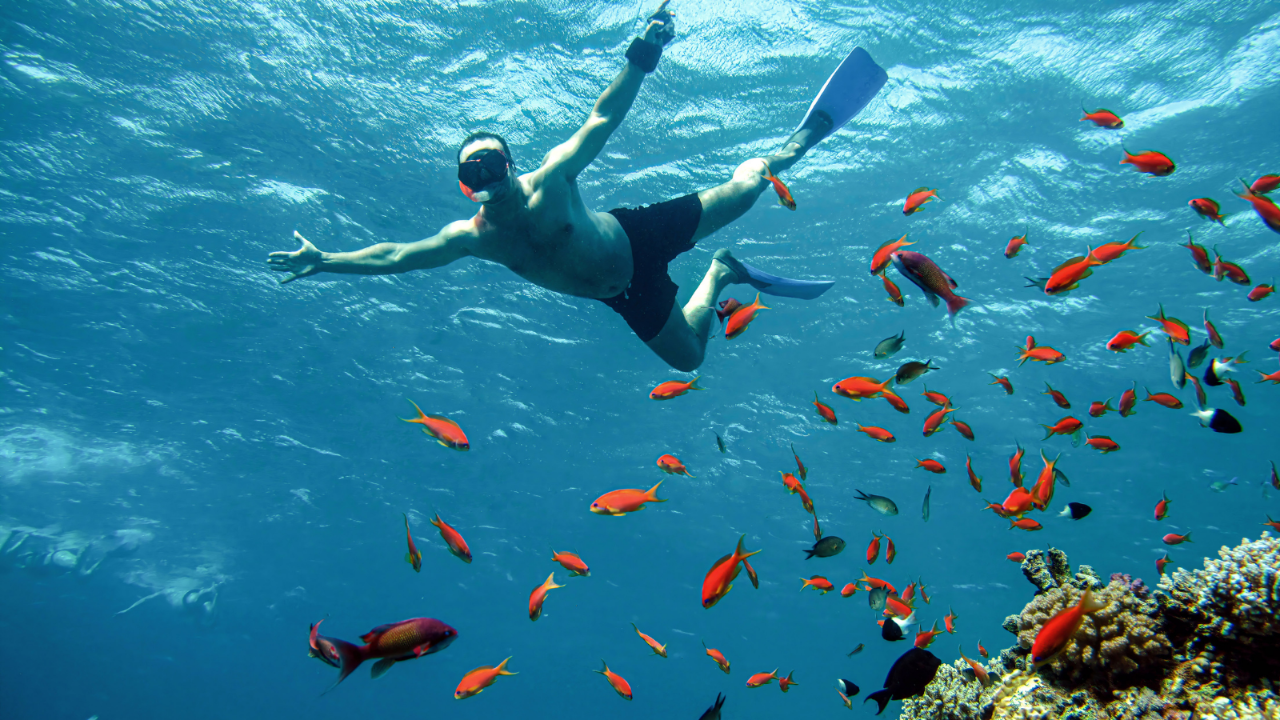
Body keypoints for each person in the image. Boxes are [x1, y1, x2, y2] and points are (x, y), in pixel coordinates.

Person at [268, 1, 884, 371]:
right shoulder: (472, 238)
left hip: (640, 234)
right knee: (691, 359)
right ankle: (720, 271)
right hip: (621, 294)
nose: (487, 178)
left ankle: (795, 144)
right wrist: (326, 261)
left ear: (511, 164)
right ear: (465, 187)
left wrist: (643, 56)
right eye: (472, 173)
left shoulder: (553, 178)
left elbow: (601, 118)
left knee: (747, 193)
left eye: (493, 164)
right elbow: (398, 256)